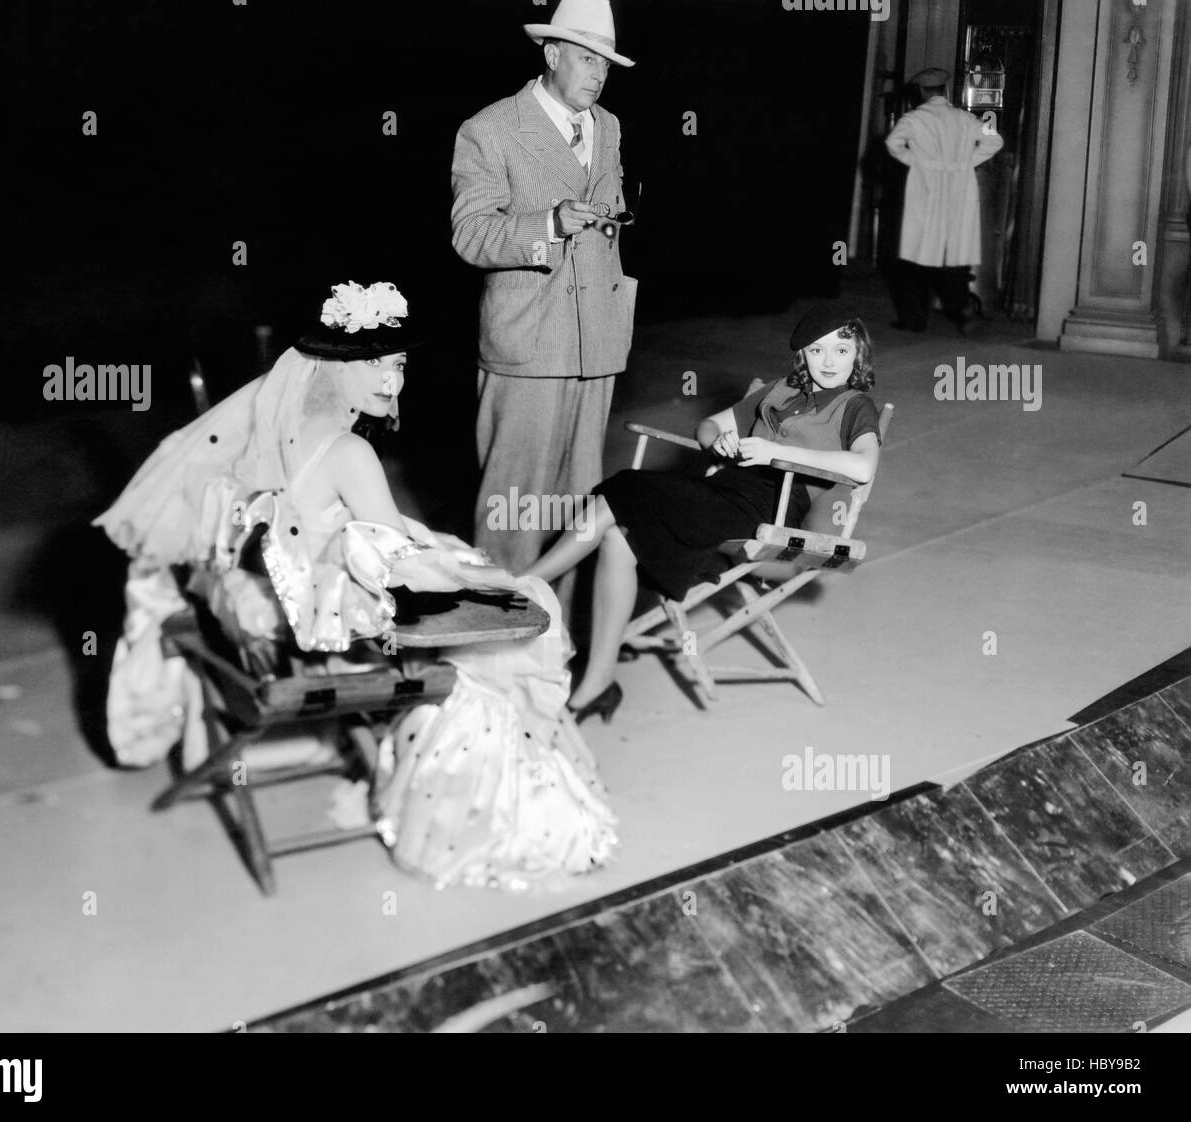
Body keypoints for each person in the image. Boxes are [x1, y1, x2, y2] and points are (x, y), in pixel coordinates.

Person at [93, 281, 617, 891]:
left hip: (272, 608)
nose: (391, 382)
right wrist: (482, 580)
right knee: (505, 640)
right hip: (314, 618)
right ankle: (481, 822)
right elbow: (403, 562)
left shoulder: (281, 428)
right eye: (372, 365)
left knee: (487, 586)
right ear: (333, 368)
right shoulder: (347, 452)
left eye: (396, 364)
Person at [523, 306, 882, 723]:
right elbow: (709, 426)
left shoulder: (855, 405)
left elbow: (864, 466)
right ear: (802, 356)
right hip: (724, 490)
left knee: (625, 487)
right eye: (817, 351)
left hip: (769, 508)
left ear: (859, 353)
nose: (829, 362)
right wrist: (720, 443)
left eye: (841, 349)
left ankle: (527, 585)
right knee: (617, 536)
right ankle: (598, 683)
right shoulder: (780, 391)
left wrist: (776, 452)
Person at [451, 0, 637, 573]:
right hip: (529, 340)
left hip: (596, 341)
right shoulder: (490, 129)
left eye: (604, 65)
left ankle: (553, 646)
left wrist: (606, 217)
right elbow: (470, 235)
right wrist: (549, 224)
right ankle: (496, 646)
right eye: (585, 60)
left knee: (579, 511)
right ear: (551, 54)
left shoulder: (608, 126)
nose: (597, 76)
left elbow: (611, 213)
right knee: (514, 506)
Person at [885, 67, 1004, 333]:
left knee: (917, 253)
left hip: (925, 188)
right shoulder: (965, 118)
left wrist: (916, 162)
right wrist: (965, 162)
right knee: (954, 251)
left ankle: (914, 319)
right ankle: (961, 309)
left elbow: (894, 144)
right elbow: (995, 141)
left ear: (922, 92)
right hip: (959, 188)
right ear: (945, 90)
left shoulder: (913, 119)